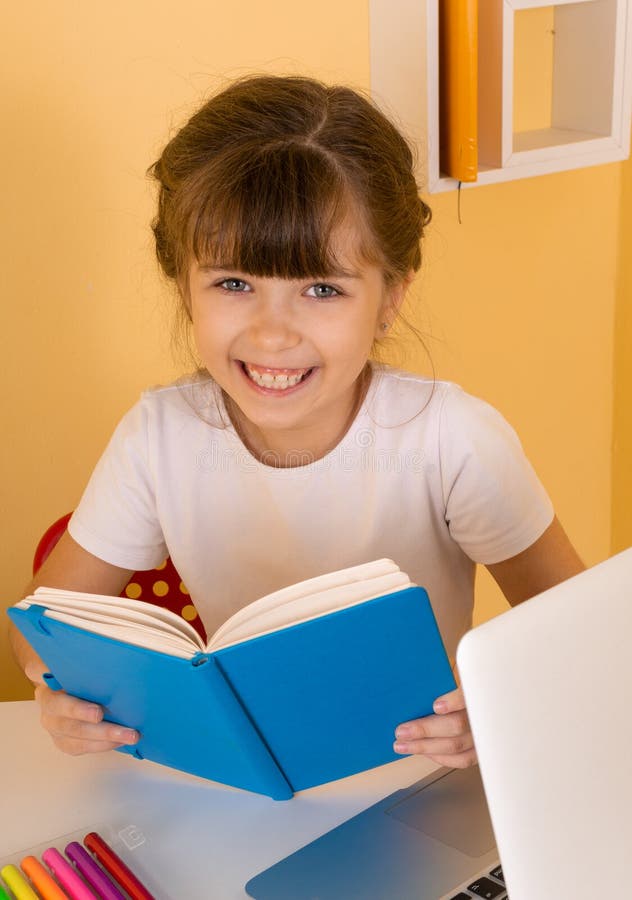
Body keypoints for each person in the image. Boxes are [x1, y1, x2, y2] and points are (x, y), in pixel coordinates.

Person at [10, 74, 584, 769]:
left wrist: (493, 708)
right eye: (233, 284)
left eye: (321, 289)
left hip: (422, 781)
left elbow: (577, 636)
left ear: (389, 300)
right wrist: (54, 691)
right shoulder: (157, 436)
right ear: (183, 286)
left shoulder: (453, 440)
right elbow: (42, 628)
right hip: (241, 789)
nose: (273, 334)